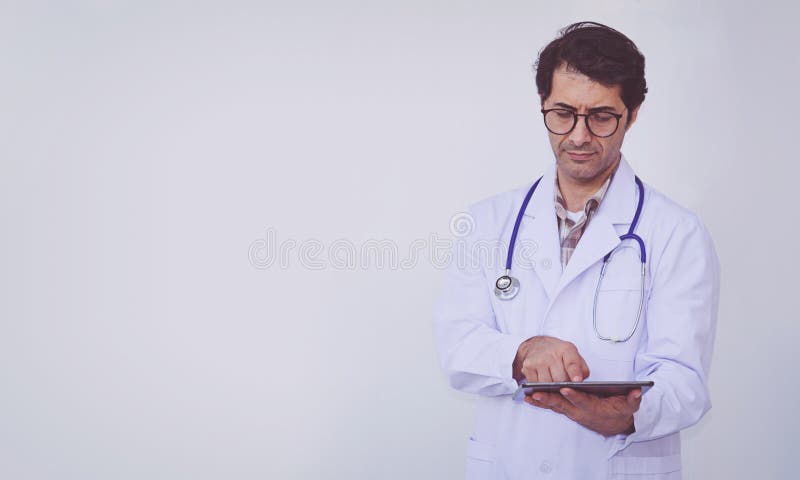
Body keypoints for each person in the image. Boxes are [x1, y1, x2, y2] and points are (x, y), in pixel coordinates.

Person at [433, 22, 720, 479]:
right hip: (511, 464)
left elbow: (685, 380)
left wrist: (626, 417)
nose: (579, 136)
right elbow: (457, 348)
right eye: (563, 113)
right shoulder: (488, 223)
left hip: (614, 465)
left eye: (602, 116)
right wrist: (523, 351)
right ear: (543, 105)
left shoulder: (676, 233)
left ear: (633, 113)